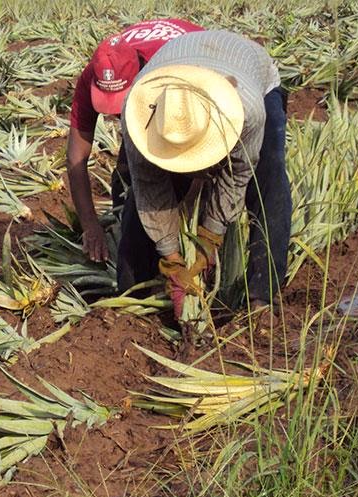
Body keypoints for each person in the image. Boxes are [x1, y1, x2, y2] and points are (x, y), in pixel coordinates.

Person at [119, 29, 292, 319]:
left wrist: (209, 240)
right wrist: (173, 261)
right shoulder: (137, 116)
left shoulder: (248, 111)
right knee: (142, 197)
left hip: (248, 74)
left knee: (269, 181)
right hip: (175, 74)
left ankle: (261, 298)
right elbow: (149, 186)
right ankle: (132, 298)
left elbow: (237, 175)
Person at [66, 19, 204, 263]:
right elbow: (76, 158)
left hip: (199, 67)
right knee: (126, 184)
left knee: (186, 173)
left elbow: (201, 150)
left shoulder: (172, 69)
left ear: (141, 73)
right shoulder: (90, 78)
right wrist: (90, 225)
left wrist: (187, 215)